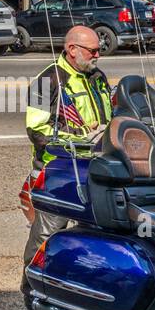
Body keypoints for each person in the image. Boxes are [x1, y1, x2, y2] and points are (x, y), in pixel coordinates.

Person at [22, 25, 112, 270]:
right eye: (93, 51)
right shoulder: (46, 80)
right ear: (72, 49)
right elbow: (37, 130)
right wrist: (85, 135)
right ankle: (31, 285)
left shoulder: (97, 76)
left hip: (94, 167)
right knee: (47, 234)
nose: (98, 55)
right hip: (58, 170)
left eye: (99, 50)